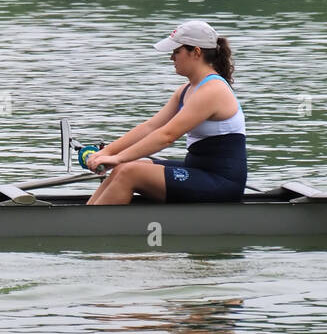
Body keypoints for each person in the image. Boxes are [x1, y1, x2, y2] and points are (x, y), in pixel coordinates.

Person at [86, 21, 246, 205]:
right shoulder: (186, 90)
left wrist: (116, 158)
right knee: (122, 167)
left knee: (129, 172)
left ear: (196, 52)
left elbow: (167, 136)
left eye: (176, 52)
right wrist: (106, 153)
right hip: (198, 170)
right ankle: (84, 220)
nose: (171, 58)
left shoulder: (213, 90)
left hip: (222, 182)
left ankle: (89, 229)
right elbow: (150, 127)